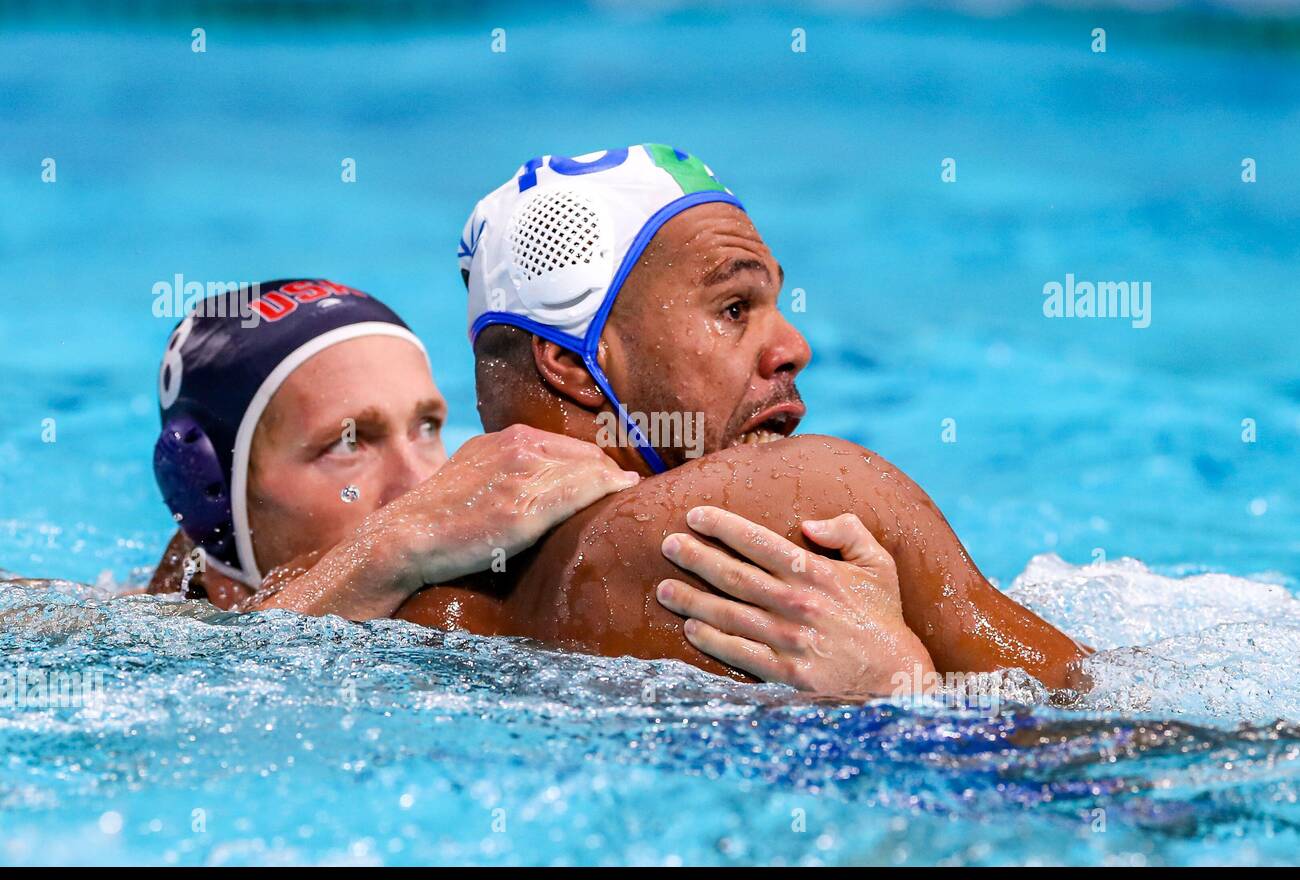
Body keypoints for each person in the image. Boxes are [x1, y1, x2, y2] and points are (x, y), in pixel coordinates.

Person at [394, 144, 1088, 694]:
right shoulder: (806, 495)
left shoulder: (392, 601)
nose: (794, 348)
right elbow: (1121, 744)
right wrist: (910, 695)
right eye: (734, 309)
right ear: (571, 362)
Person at [145, 278, 641, 617]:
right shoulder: (109, 641)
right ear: (210, 500)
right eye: (348, 443)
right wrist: (395, 547)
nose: (422, 485)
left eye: (427, 427)